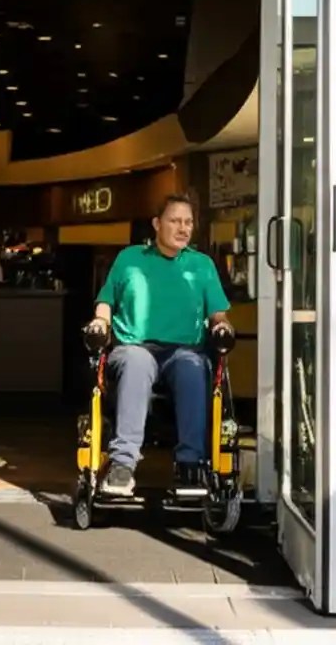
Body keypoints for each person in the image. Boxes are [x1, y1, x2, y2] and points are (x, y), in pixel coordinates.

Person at [85, 193, 233, 496]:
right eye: (175, 221)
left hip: (184, 350)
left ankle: (191, 464)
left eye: (188, 222)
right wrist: (100, 322)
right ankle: (122, 464)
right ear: (156, 224)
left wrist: (222, 326)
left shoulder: (201, 265)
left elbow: (219, 313)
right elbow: (105, 302)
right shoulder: (130, 258)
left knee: (193, 367)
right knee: (137, 363)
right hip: (135, 347)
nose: (183, 228)